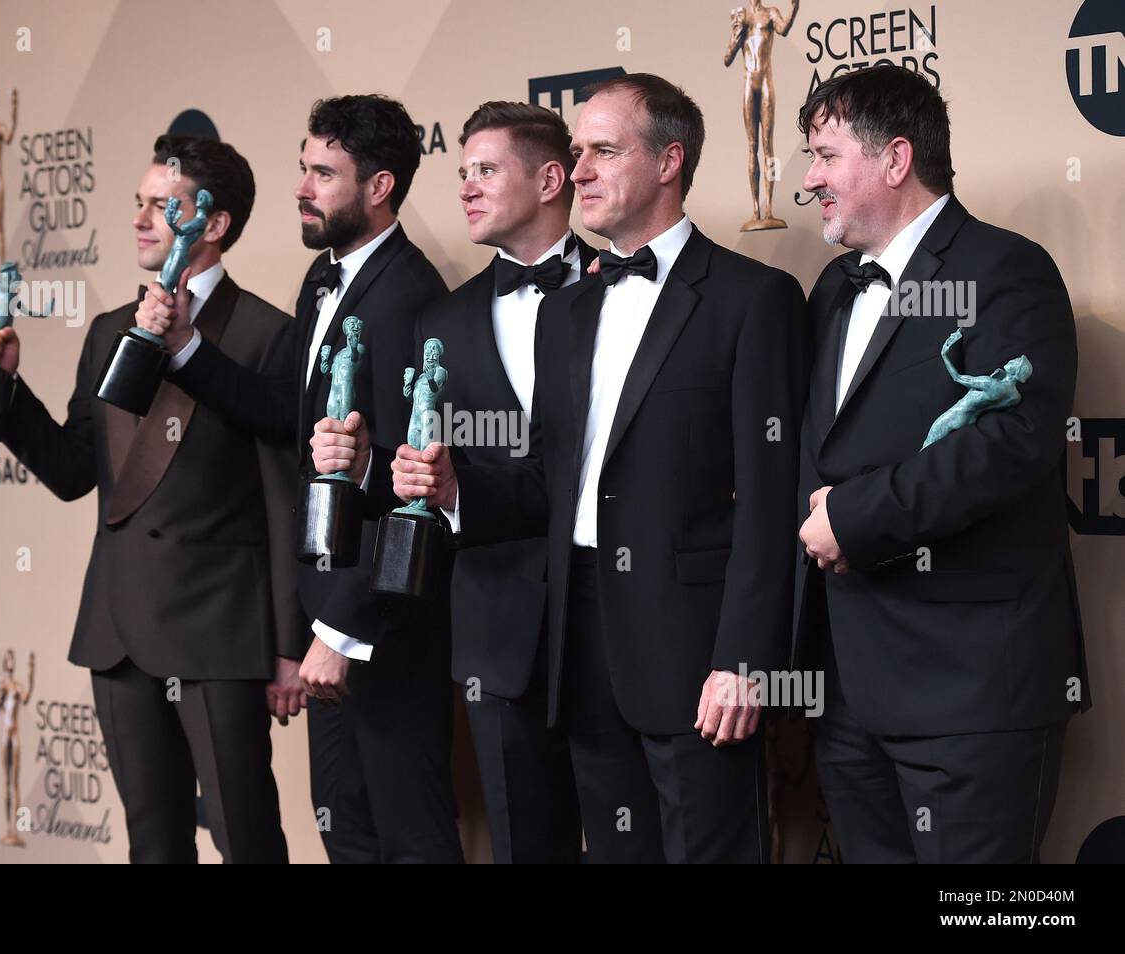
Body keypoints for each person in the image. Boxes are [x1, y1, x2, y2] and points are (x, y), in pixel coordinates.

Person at [391, 74, 806, 863]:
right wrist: (455, 488)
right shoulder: (568, 310)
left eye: (604, 152)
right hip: (577, 643)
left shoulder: (754, 299)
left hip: (693, 648)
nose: (578, 170)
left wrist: (745, 661)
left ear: (668, 162)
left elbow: (768, 502)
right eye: (577, 152)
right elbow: (549, 479)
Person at [0, 134, 303, 863]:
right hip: (117, 630)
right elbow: (72, 470)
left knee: (247, 840)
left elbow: (285, 502)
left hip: (219, 632)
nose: (141, 220)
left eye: (161, 206)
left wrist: (287, 647)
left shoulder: (267, 334)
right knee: (152, 845)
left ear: (214, 224)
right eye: (139, 203)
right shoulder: (108, 331)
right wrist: (6, 389)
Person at [143, 95, 463, 863]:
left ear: (379, 187)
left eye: (323, 173)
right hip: (332, 619)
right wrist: (185, 346)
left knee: (411, 841)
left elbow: (407, 491)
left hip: (382, 629)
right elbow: (281, 413)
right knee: (348, 835)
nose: (301, 188)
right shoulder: (325, 277)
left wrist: (344, 631)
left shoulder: (409, 296)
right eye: (303, 168)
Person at [793, 64, 1090, 862]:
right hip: (848, 695)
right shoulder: (831, 290)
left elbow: (1010, 444)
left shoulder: (1004, 269)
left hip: (973, 694)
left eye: (825, 156)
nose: (809, 178)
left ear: (895, 159)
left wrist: (853, 517)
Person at [313, 101, 591, 862]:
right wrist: (369, 465)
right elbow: (423, 484)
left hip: (613, 622)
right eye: (462, 171)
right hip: (498, 628)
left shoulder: (619, 290)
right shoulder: (443, 321)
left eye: (486, 170)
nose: (465, 187)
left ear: (550, 180)